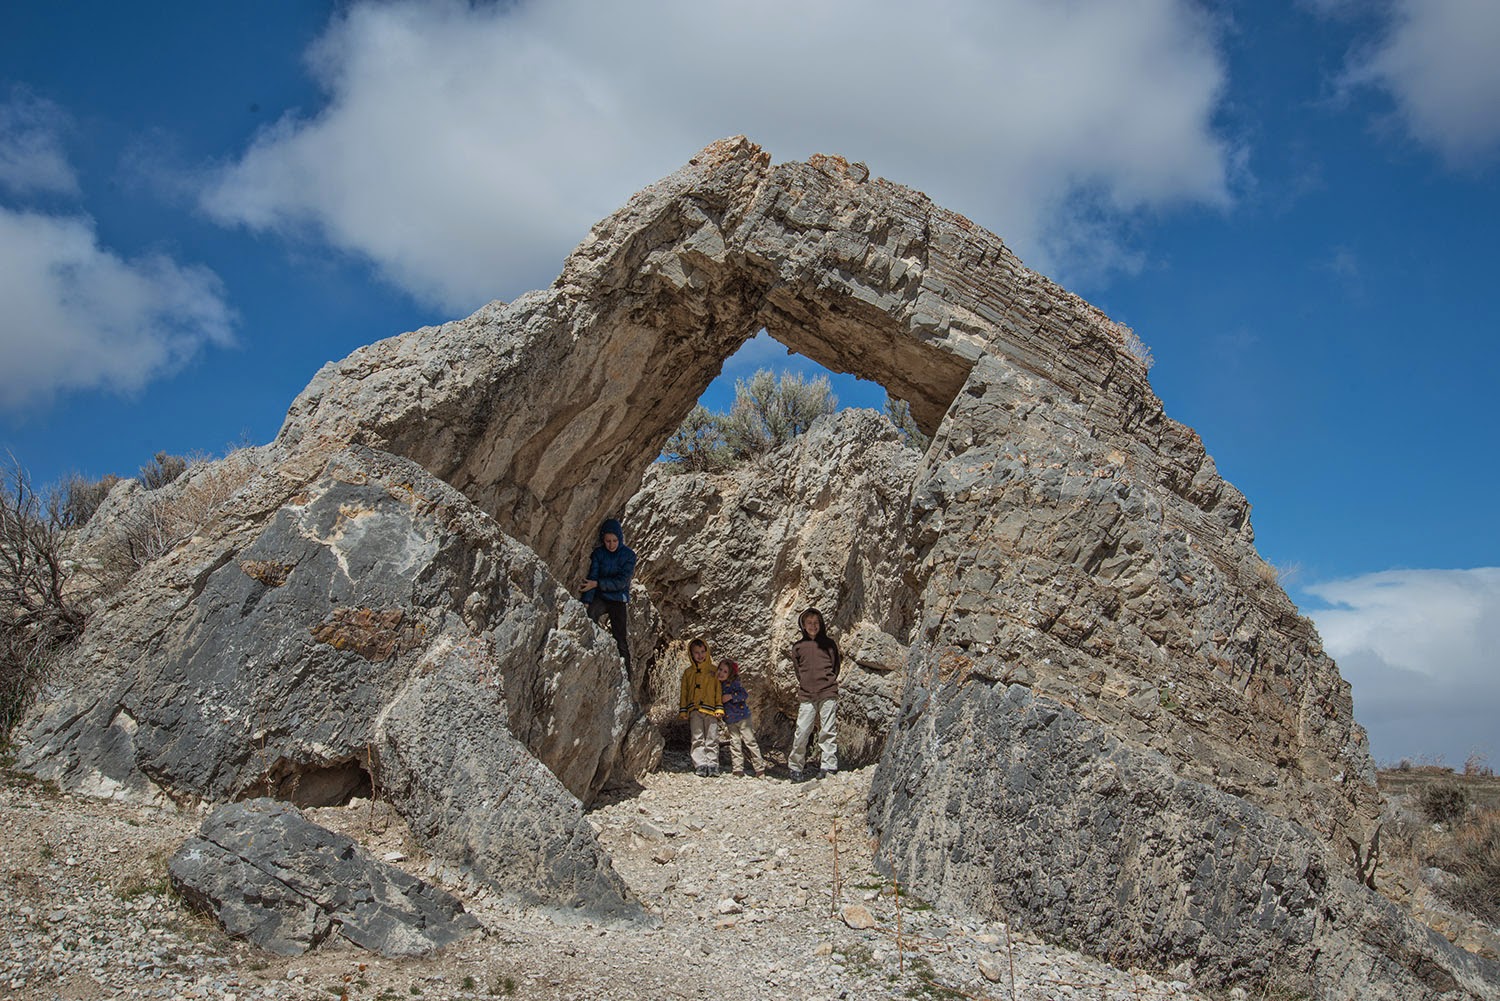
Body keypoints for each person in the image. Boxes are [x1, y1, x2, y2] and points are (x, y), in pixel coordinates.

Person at [787, 607, 840, 782]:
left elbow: (835, 666)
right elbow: (798, 670)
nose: (813, 626)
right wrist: (806, 683)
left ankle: (828, 766)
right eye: (809, 622)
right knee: (802, 730)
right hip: (807, 694)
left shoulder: (829, 644)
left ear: (821, 624)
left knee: (828, 730)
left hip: (827, 691)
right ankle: (795, 767)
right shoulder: (798, 647)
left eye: (816, 622)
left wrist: (827, 682)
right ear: (803, 625)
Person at [582, 517, 637, 669]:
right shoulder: (598, 554)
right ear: (603, 540)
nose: (611, 544)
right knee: (589, 617)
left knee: (620, 639)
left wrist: (598, 584)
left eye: (614, 541)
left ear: (620, 539)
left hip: (618, 599)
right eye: (607, 541)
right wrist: (586, 601)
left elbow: (621, 582)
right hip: (602, 597)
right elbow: (591, 578)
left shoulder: (629, 555)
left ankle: (626, 674)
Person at [678, 638, 724, 777]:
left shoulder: (714, 670)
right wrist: (684, 710)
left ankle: (713, 764)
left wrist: (719, 708)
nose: (700, 655)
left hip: (711, 710)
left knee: (712, 737)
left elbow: (718, 691)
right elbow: (684, 692)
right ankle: (700, 764)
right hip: (695, 710)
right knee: (697, 738)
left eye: (703, 651)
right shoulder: (688, 673)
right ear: (691, 654)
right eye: (696, 652)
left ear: (707, 651)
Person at [717, 657, 766, 777]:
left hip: (742, 716)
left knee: (750, 741)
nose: (721, 673)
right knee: (735, 742)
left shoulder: (734, 684)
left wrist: (731, 696)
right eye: (720, 669)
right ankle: (737, 768)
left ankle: (759, 768)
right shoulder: (717, 685)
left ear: (730, 674)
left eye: (725, 671)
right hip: (730, 719)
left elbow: (743, 695)